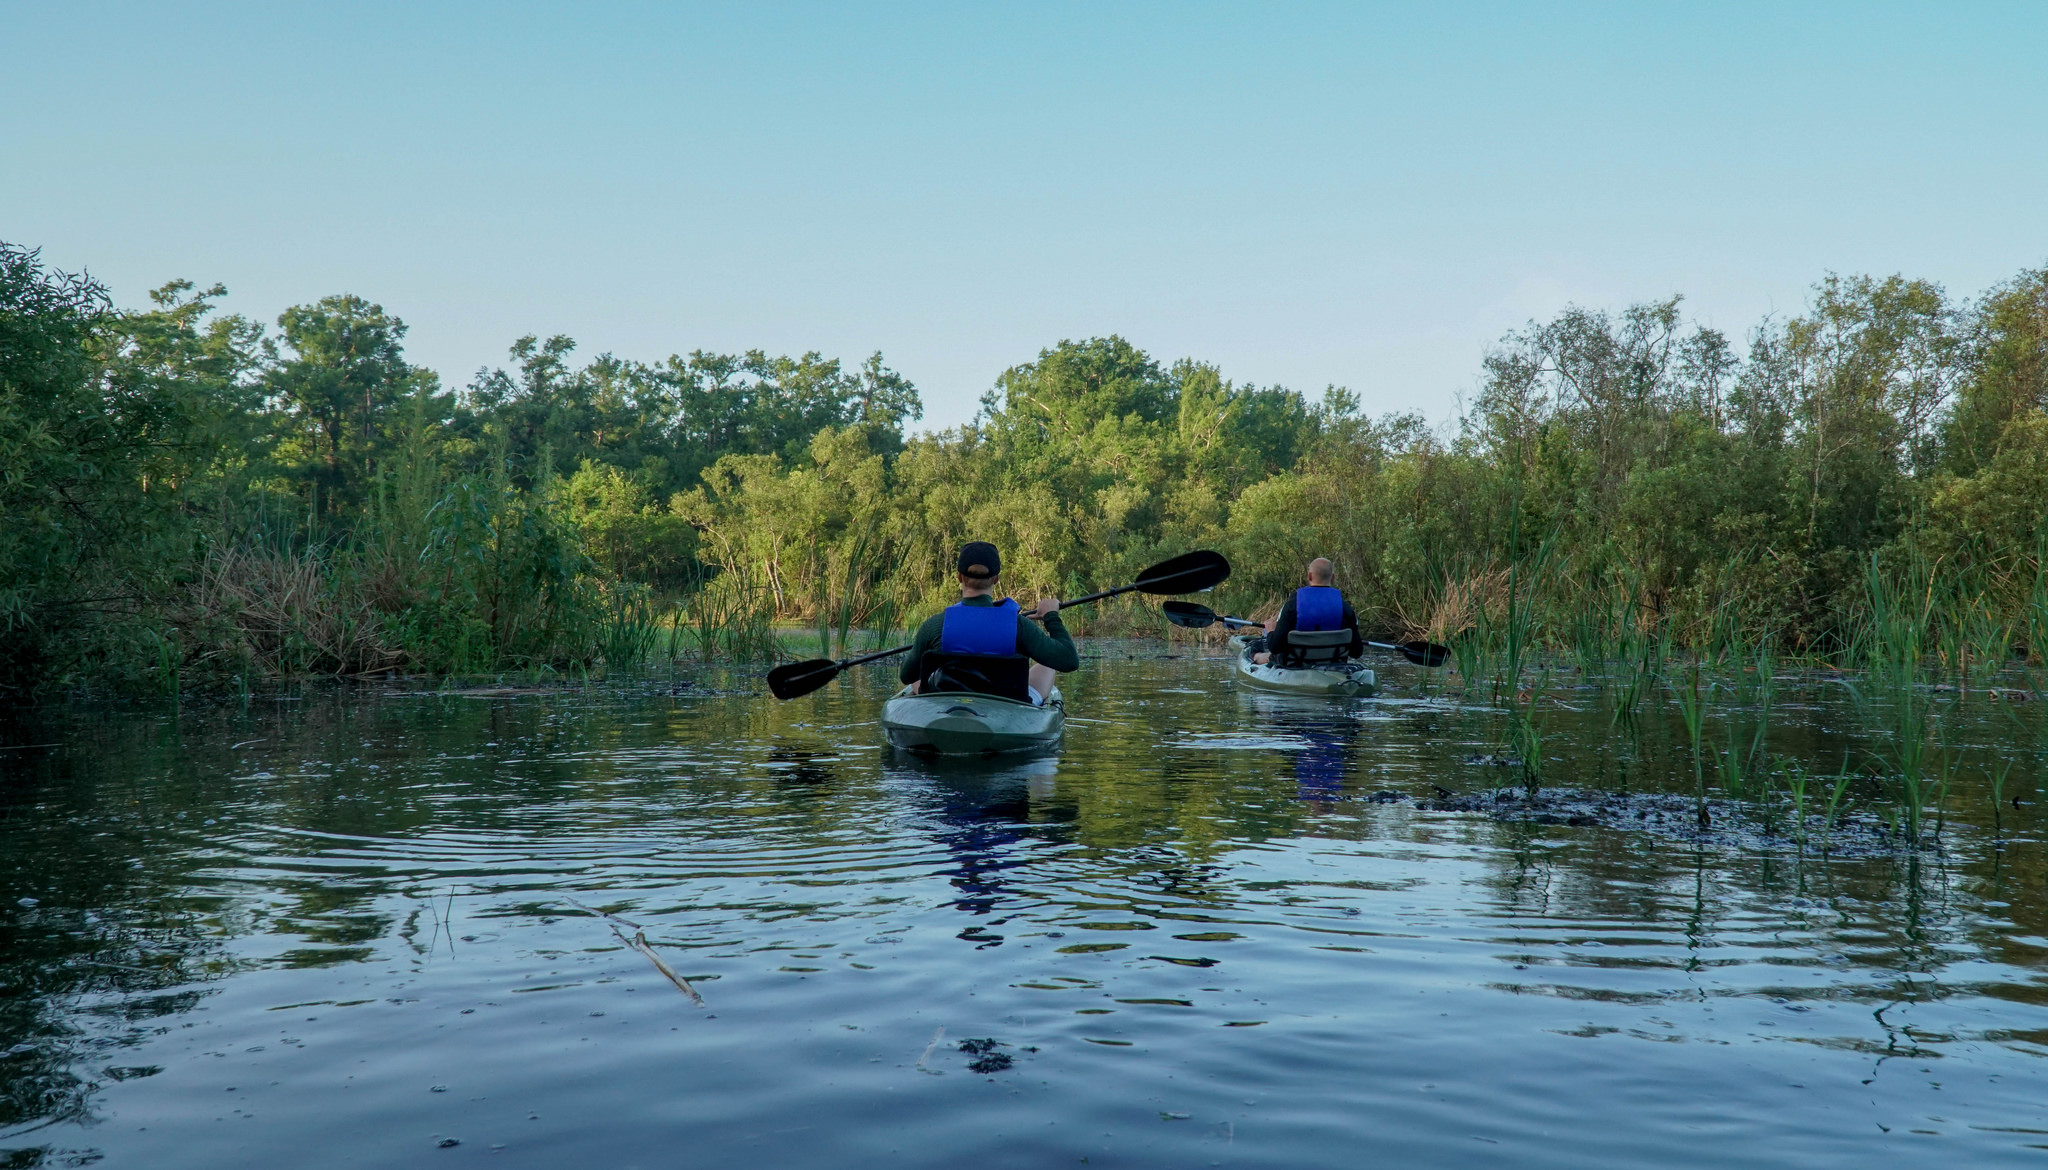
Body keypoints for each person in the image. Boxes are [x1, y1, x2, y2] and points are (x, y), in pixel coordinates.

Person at [901, 541, 1079, 705]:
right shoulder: (1018, 626)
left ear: (959, 577)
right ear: (995, 579)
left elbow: (906, 675)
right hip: (1007, 706)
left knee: (917, 679)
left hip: (947, 704)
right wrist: (1051, 616)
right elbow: (1069, 660)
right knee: (1047, 663)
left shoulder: (934, 626)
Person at [1252, 557, 1364, 665]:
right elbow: (1356, 652)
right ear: (1333, 577)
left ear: (1309, 576)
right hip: (1332, 664)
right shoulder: (1346, 609)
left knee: (1264, 655)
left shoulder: (1292, 605)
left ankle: (1258, 656)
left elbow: (1275, 647)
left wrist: (1271, 631)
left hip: (1295, 664)